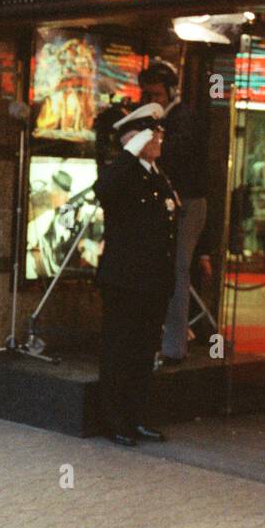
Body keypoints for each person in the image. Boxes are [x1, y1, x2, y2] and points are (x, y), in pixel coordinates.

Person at [94, 102, 179, 447]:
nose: (160, 138)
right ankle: (114, 420)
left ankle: (135, 417)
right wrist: (128, 151)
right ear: (134, 139)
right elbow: (105, 190)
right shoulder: (123, 171)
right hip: (125, 281)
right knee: (120, 351)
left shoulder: (157, 174)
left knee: (144, 353)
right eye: (152, 133)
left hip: (152, 282)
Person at [139, 59, 212, 364]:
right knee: (172, 271)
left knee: (177, 271)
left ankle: (174, 345)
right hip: (178, 202)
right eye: (149, 95)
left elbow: (177, 158)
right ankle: (172, 338)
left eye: (157, 95)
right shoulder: (172, 119)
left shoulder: (183, 119)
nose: (153, 101)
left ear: (170, 91)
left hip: (187, 202)